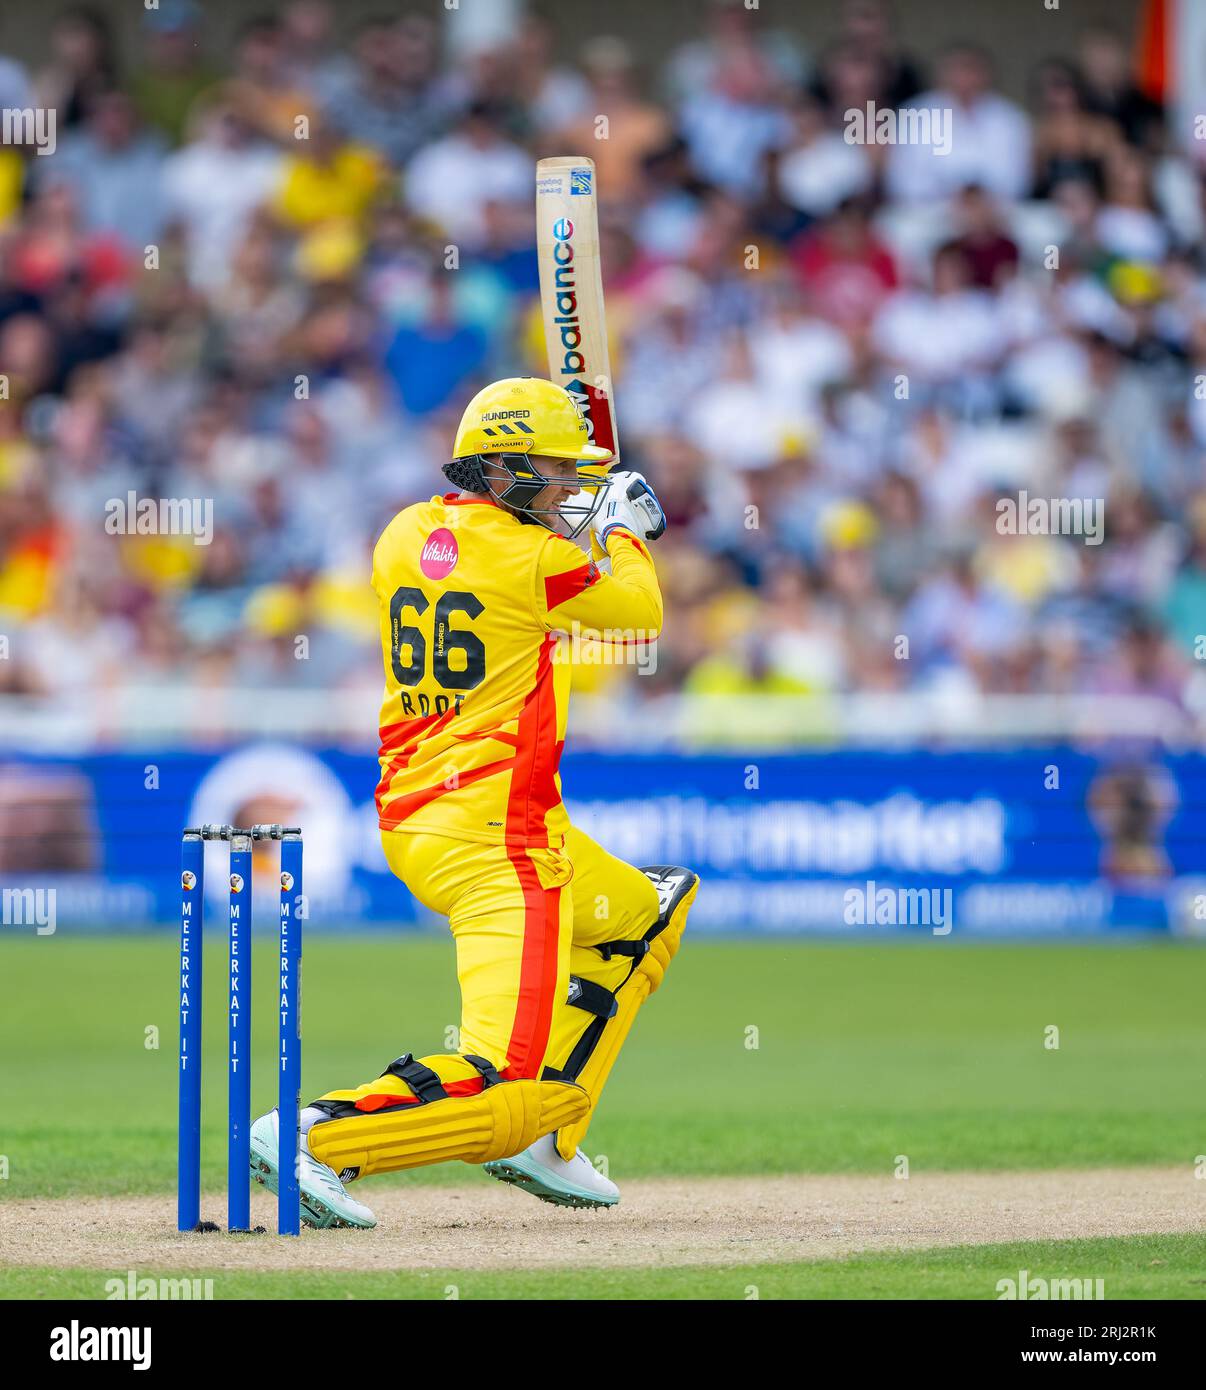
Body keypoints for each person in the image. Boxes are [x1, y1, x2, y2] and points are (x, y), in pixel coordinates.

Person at [248, 377, 699, 1226]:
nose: (571, 494)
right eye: (559, 476)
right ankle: (320, 1134)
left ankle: (547, 1142)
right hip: (498, 840)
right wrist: (625, 533)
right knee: (502, 1076)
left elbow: (493, 573)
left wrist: (581, 517)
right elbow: (638, 618)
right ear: (510, 472)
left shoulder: (402, 535)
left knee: (648, 911)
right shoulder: (533, 559)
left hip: (421, 819)